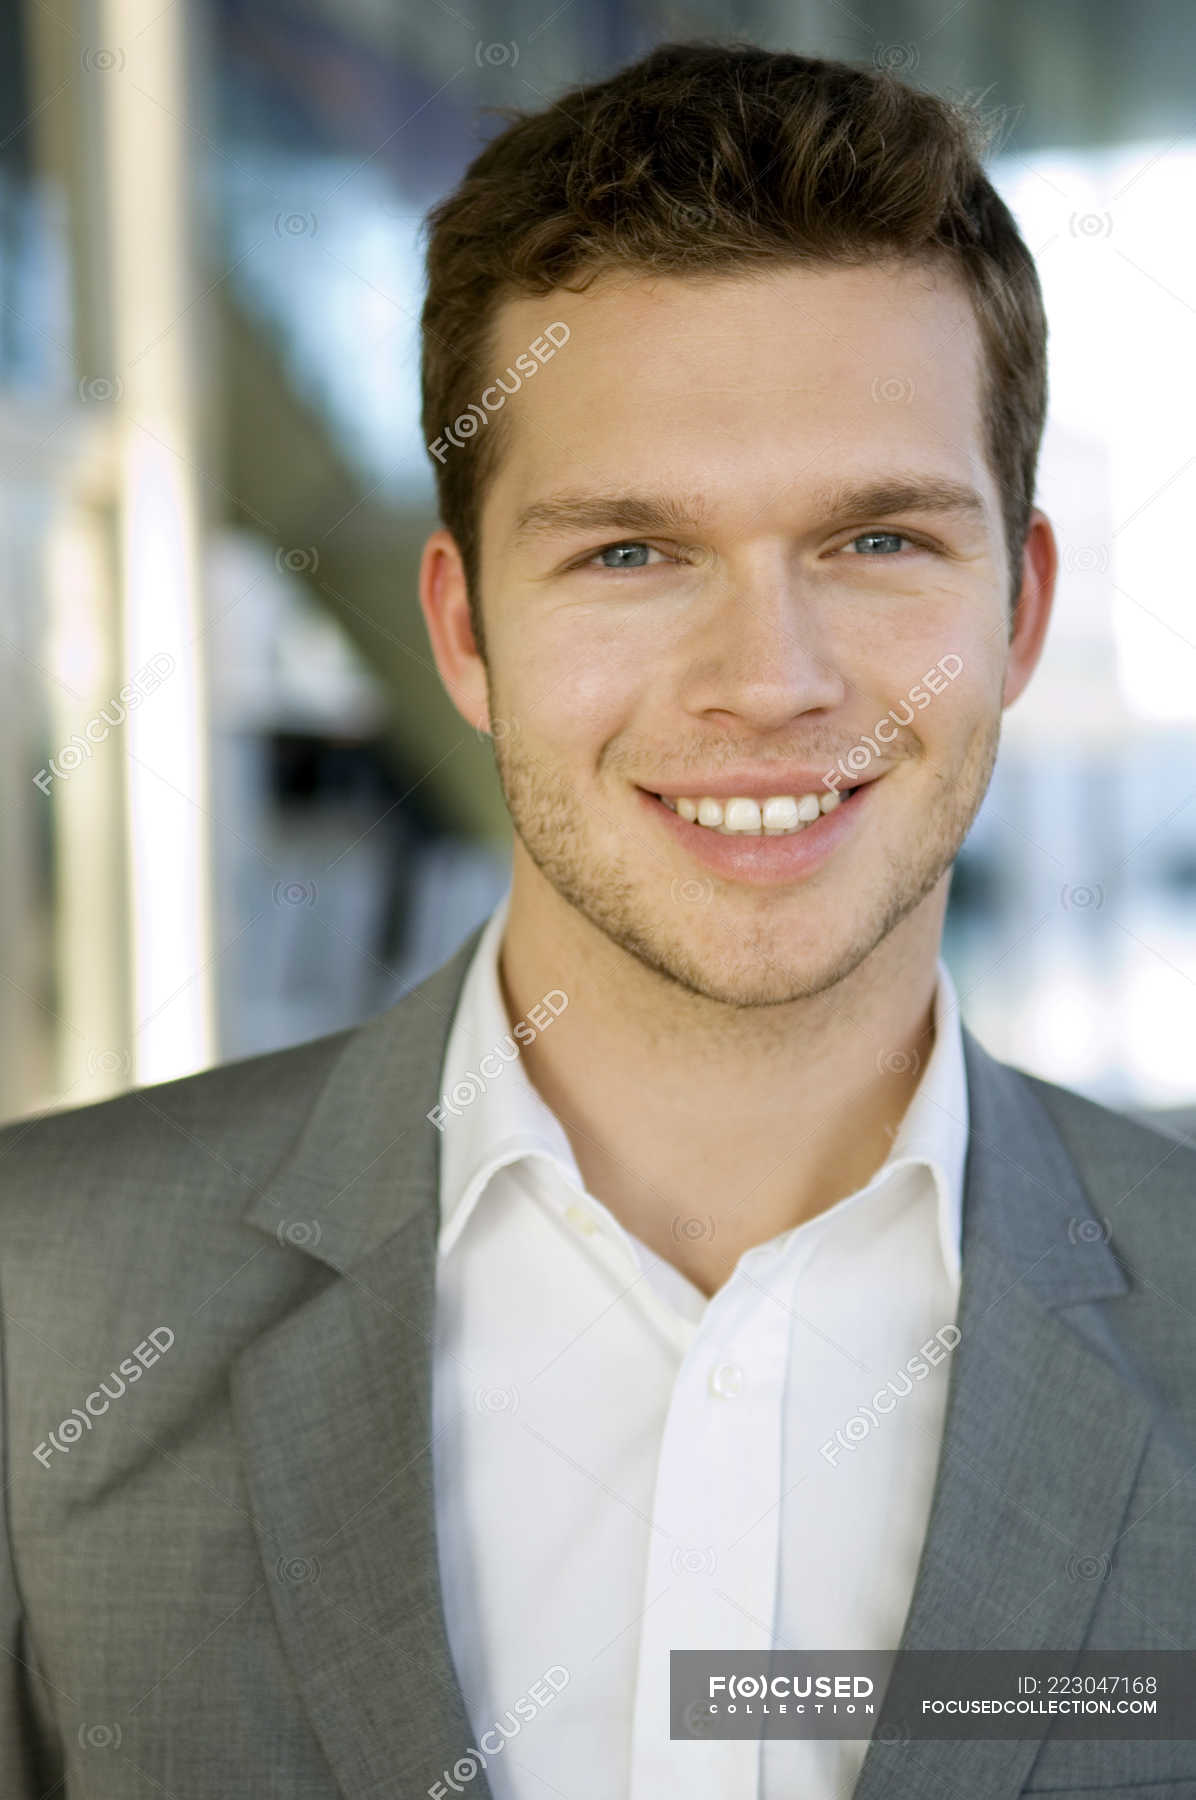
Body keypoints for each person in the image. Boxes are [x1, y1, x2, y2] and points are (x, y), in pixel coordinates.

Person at [2, 38, 1193, 1800]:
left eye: (877, 542)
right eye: (631, 554)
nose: (768, 682)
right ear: (463, 631)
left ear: (1017, 614)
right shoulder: (39, 1306)